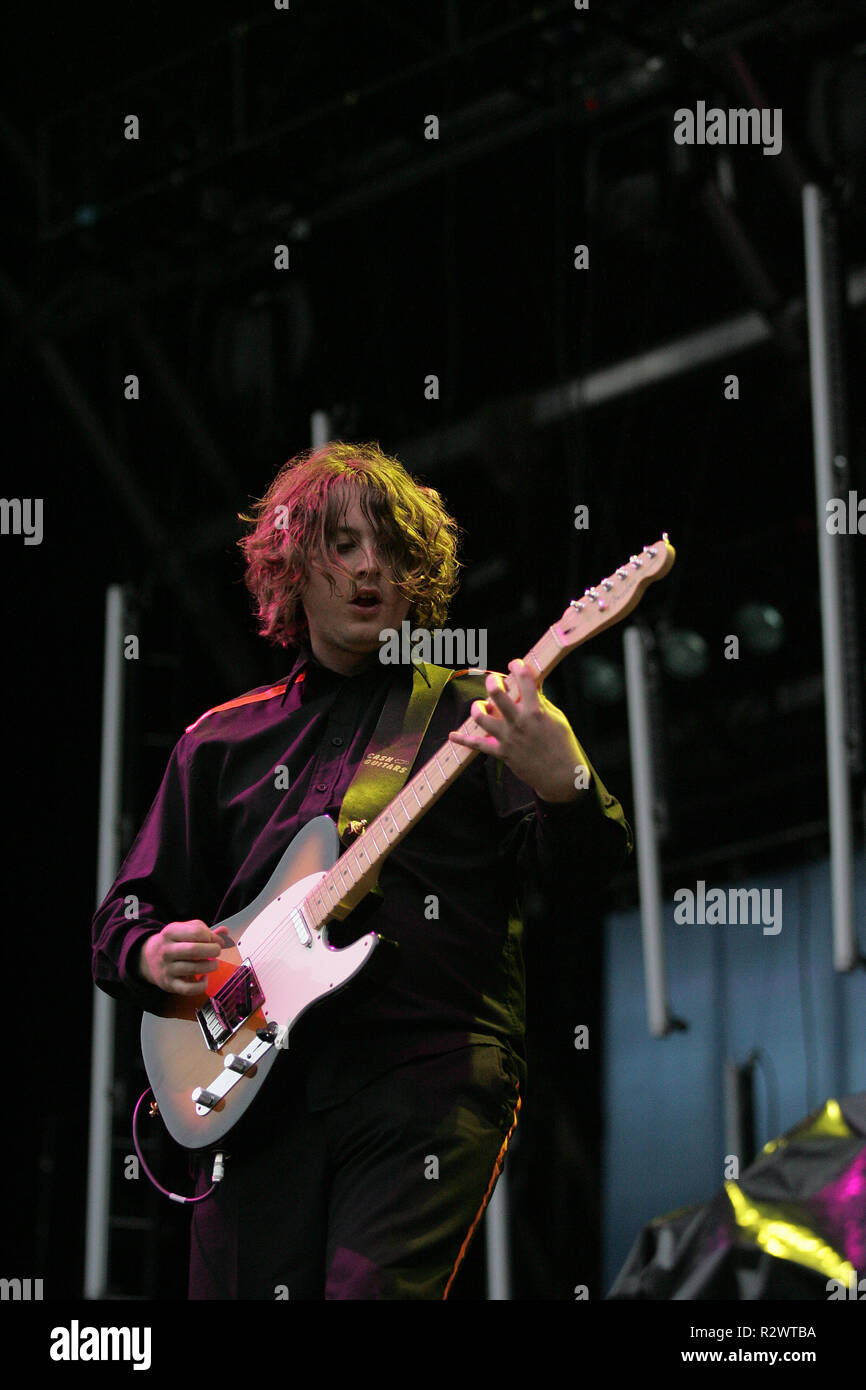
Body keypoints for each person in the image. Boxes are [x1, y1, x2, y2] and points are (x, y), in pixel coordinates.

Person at [92, 440, 630, 1300]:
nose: (369, 564)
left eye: (390, 546)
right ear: (293, 563)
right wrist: (152, 955)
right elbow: (127, 910)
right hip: (257, 1094)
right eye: (342, 544)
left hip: (424, 1077)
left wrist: (563, 777)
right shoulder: (219, 742)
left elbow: (588, 882)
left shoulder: (473, 712)